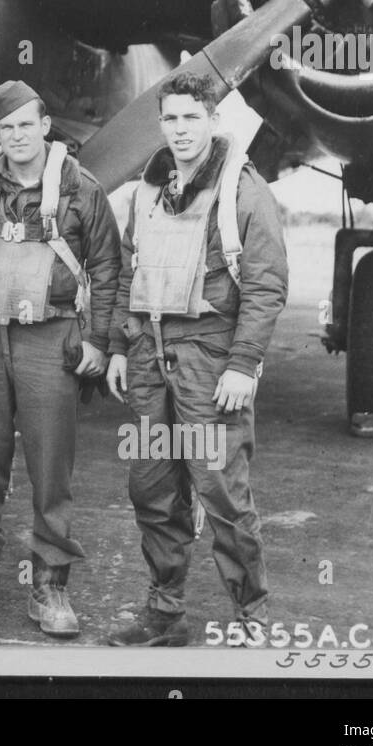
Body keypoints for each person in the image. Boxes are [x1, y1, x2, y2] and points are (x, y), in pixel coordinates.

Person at [105, 71, 288, 647]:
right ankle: (164, 614)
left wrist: (243, 363)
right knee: (152, 491)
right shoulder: (146, 191)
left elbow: (265, 285)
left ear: (213, 120)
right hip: (147, 361)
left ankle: (252, 617)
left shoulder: (243, 191)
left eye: (192, 117)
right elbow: (128, 273)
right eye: (171, 118)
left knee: (222, 494)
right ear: (160, 123)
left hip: (209, 365)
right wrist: (117, 346)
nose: (180, 129)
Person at [0, 80, 122, 638]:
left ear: (45, 125)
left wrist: (98, 341)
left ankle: (50, 580)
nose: (17, 135)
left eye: (27, 124)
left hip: (51, 337)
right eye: (6, 127)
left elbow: (109, 269)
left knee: (51, 466)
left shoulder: (82, 189)